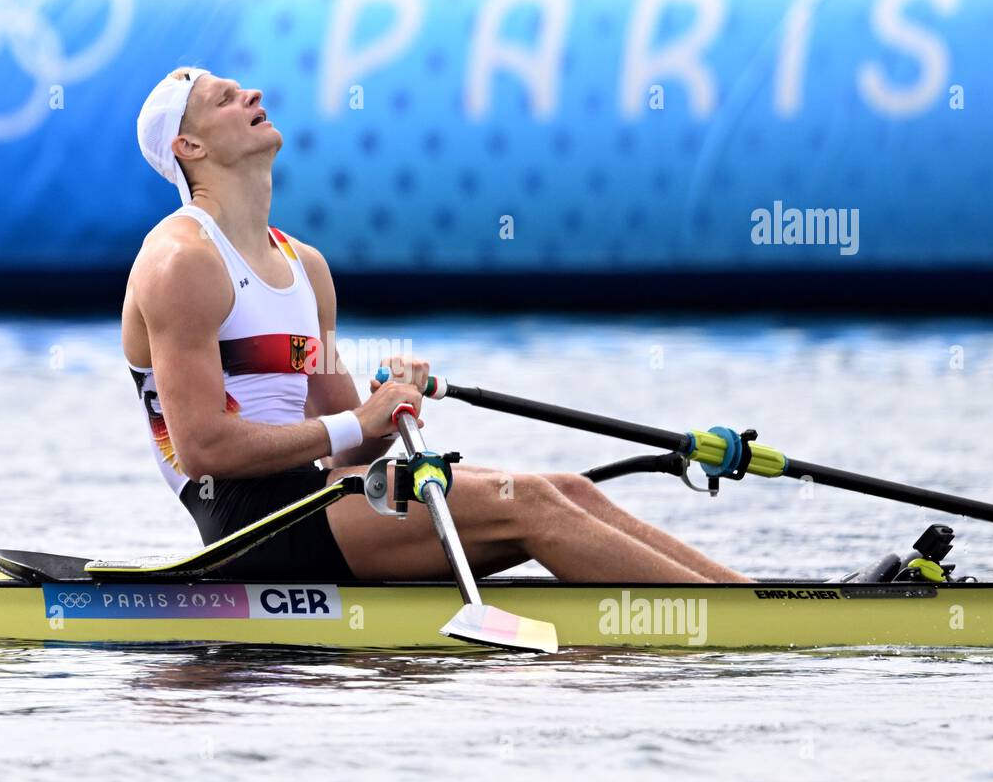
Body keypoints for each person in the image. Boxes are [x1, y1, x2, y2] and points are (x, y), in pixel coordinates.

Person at [124, 67, 750, 584]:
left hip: (316, 496)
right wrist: (356, 423)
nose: (252, 94)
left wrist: (390, 403)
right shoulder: (182, 262)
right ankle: (740, 634)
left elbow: (353, 449)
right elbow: (204, 448)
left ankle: (748, 599)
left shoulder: (304, 266)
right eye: (224, 99)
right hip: (246, 525)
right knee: (527, 505)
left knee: (561, 488)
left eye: (244, 89)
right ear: (191, 147)